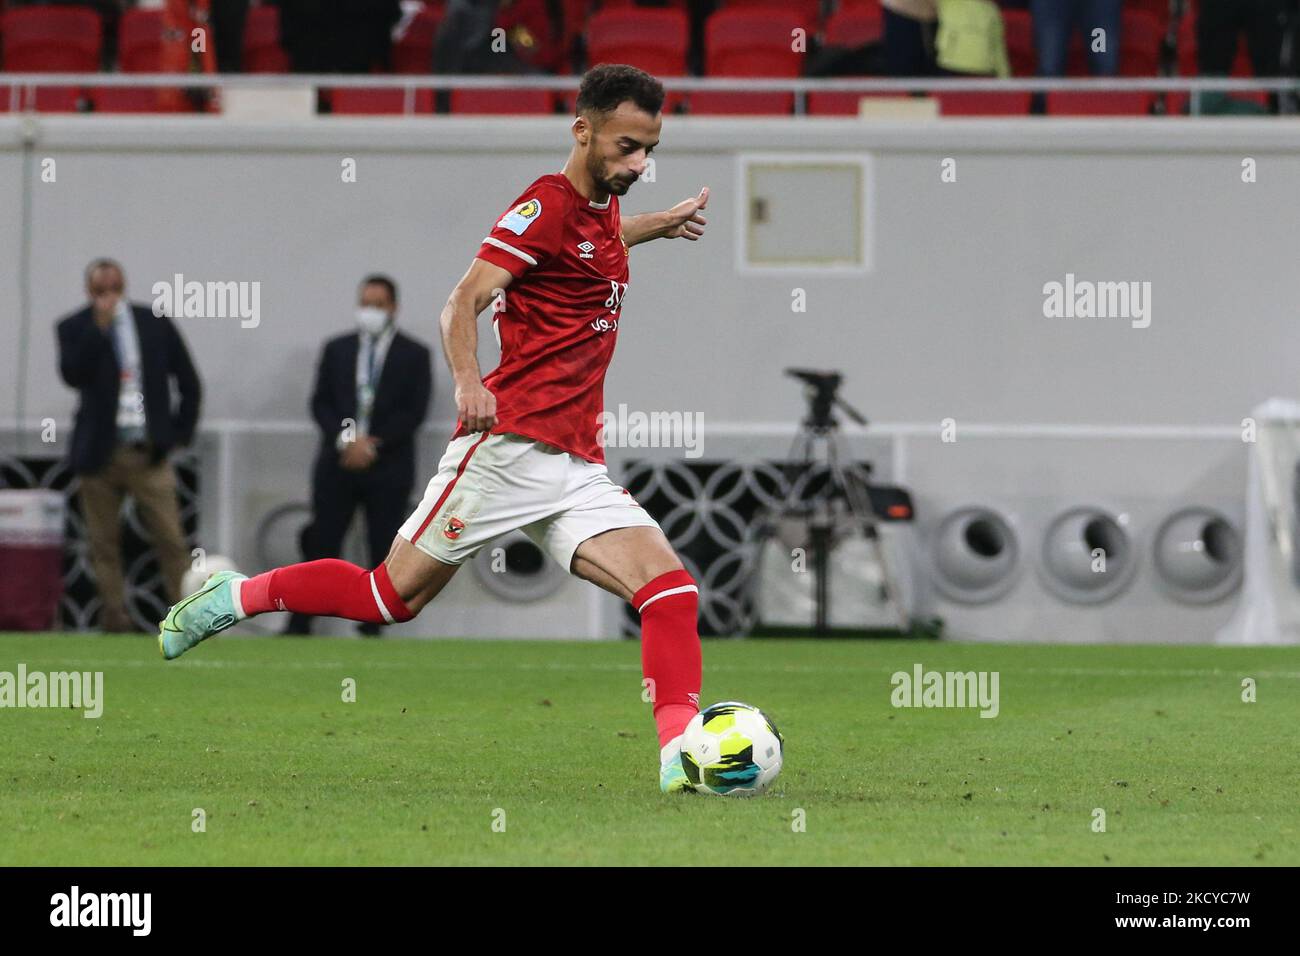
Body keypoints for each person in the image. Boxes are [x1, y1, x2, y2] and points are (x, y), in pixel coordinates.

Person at [158, 63, 712, 794]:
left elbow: (590, 249)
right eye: (626, 147)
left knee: (670, 591)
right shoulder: (542, 207)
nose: (639, 165)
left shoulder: (601, 208)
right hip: (504, 450)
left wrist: (655, 224)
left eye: (650, 149)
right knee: (388, 598)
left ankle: (679, 755)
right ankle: (232, 598)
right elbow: (462, 301)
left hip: (575, 464)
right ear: (582, 131)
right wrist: (469, 380)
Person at [56, 258, 201, 633]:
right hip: (100, 455)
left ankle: (187, 617)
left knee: (171, 539)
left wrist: (178, 434)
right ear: (89, 293)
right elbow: (73, 373)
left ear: (124, 286)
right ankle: (114, 617)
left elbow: (188, 379)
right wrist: (98, 330)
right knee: (103, 543)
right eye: (100, 291)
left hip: (148, 453)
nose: (108, 298)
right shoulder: (74, 327)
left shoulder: (153, 323)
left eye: (114, 289)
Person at [284, 275, 433, 638]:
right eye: (365, 303)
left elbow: (413, 413)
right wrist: (348, 441)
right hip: (338, 464)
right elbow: (321, 403)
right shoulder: (337, 349)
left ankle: (372, 624)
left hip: (388, 466)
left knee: (384, 546)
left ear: (393, 308)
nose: (370, 311)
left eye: (378, 305)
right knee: (322, 544)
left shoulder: (414, 354)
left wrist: (373, 445)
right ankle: (301, 621)